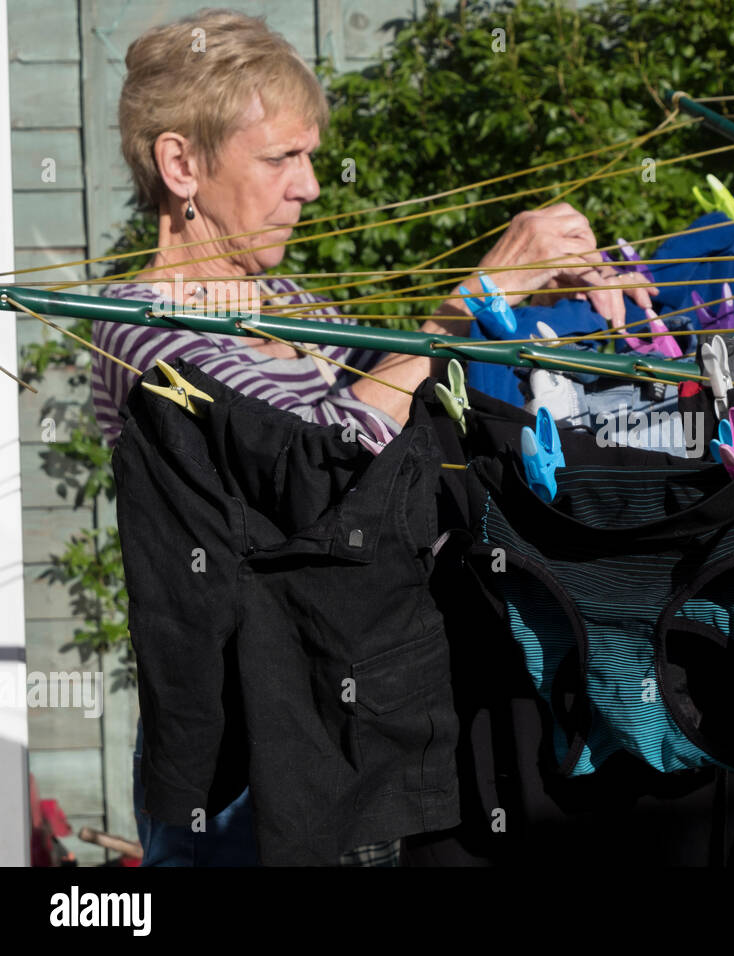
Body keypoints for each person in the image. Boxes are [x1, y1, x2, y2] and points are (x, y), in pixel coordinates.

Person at [93, 7, 653, 866]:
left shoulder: (291, 309)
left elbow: (419, 382)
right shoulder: (138, 331)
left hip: (357, 739)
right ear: (181, 164)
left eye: (311, 155)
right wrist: (465, 301)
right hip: (246, 761)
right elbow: (315, 470)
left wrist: (543, 300)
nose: (311, 186)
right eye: (282, 157)